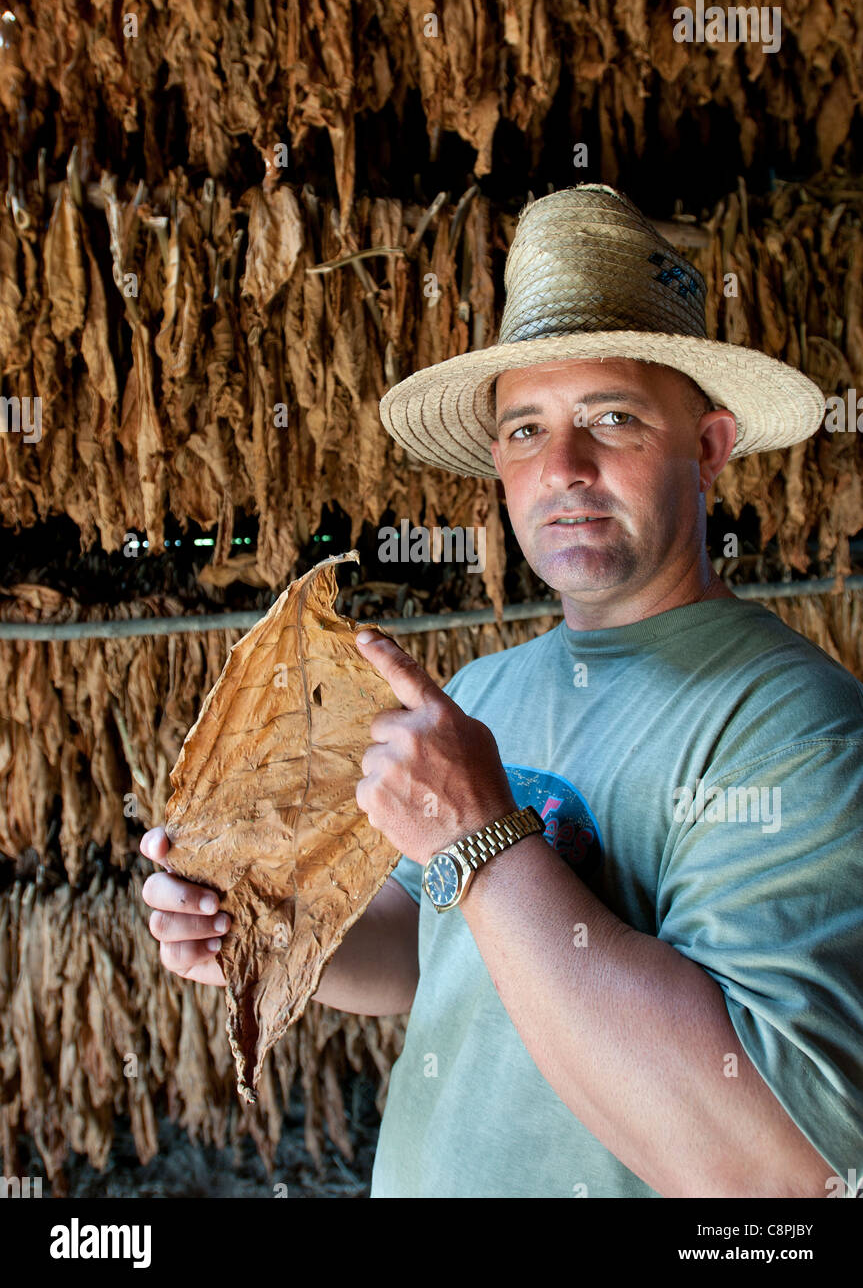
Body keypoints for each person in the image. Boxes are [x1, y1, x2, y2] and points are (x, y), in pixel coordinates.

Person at [141, 185, 863, 1198]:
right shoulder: (485, 693)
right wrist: (255, 927)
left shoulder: (796, 731)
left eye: (609, 418)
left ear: (706, 447)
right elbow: (416, 949)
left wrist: (480, 837)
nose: (559, 467)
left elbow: (773, 1170)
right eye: (524, 430)